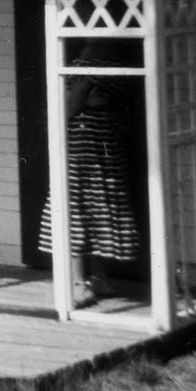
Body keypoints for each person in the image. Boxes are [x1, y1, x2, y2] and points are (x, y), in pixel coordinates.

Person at [38, 68, 141, 304]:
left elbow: (73, 108)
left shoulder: (99, 69)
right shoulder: (85, 68)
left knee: (88, 213)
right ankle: (85, 280)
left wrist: (80, 99)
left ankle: (90, 280)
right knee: (82, 214)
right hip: (86, 156)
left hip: (94, 155)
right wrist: (84, 99)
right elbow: (69, 108)